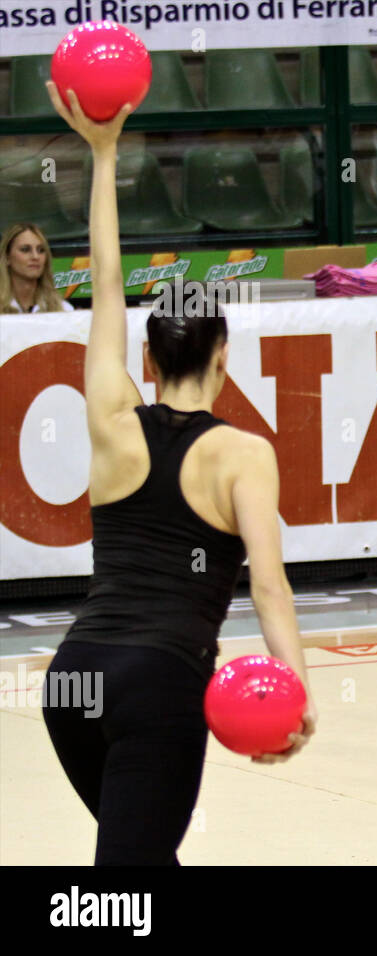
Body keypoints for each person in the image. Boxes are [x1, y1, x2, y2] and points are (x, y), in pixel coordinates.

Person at [38, 84, 315, 865]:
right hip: (158, 683)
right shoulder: (244, 454)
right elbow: (268, 586)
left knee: (140, 863)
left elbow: (103, 287)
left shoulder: (112, 423)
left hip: (73, 680)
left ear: (149, 361)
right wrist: (295, 688)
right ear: (224, 358)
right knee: (126, 884)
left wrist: (102, 156)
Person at [3, 222, 75, 313]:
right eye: (25, 249)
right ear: (7, 257)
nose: (35, 257)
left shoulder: (64, 310)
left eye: (41, 250)